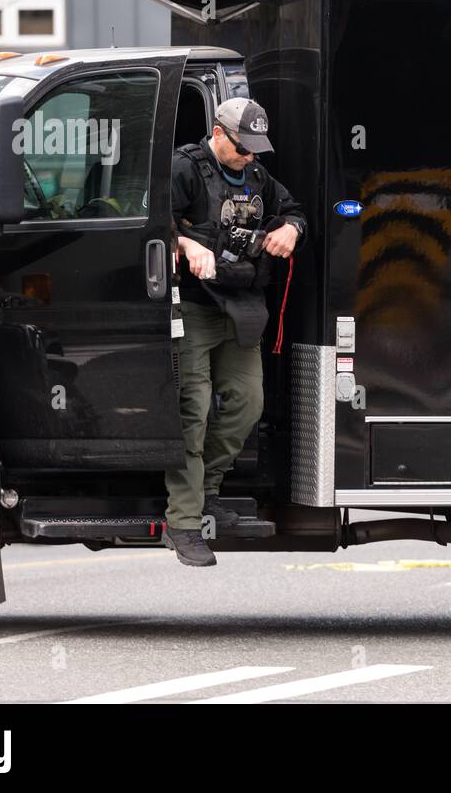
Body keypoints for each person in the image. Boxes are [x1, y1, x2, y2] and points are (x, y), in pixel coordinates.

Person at [167, 98, 307, 567]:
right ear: (218, 133)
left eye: (255, 150)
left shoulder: (257, 175)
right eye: (243, 148)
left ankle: (207, 491)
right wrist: (185, 244)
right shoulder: (185, 169)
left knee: (248, 402)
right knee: (195, 409)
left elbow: (295, 209)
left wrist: (291, 228)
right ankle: (183, 524)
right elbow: (150, 223)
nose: (250, 157)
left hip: (243, 307)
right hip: (194, 307)